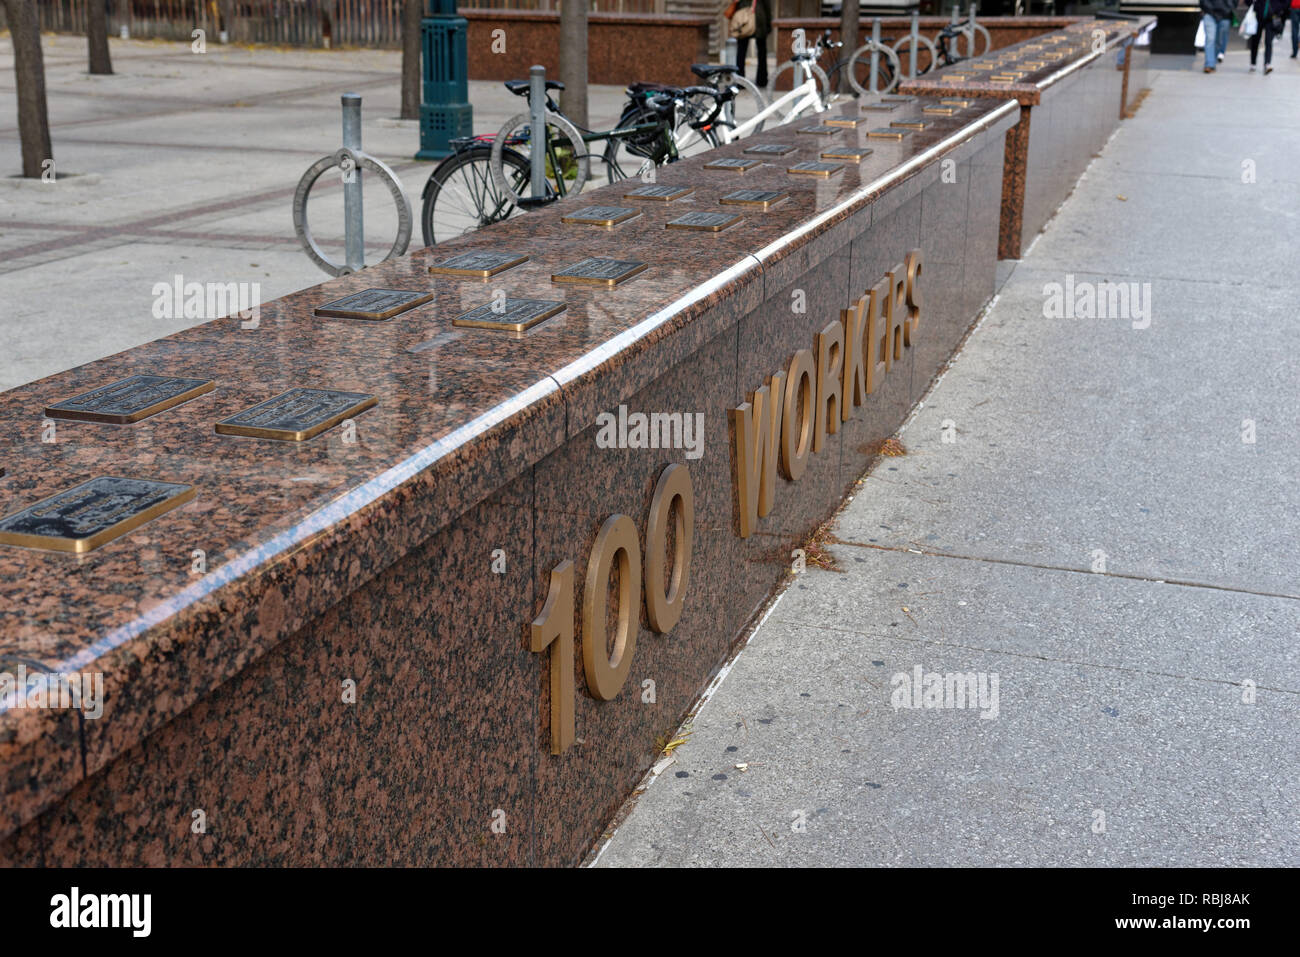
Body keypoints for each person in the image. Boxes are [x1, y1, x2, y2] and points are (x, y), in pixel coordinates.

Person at [725, 0, 772, 89]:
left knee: (741, 51)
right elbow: (767, 6)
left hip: (744, 19)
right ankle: (762, 80)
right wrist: (768, 24)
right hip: (759, 17)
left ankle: (740, 80)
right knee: (762, 51)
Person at [1244, 0, 1286, 72]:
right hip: (1258, 15)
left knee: (1268, 41)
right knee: (1255, 41)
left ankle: (1267, 63)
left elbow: (1285, 2)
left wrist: (1278, 9)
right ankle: (1253, 63)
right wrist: (1253, 5)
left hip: (1271, 16)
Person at [1200, 0, 1235, 72]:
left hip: (1225, 14)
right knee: (1210, 39)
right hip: (1209, 13)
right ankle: (1209, 64)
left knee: (1219, 40)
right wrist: (1206, 8)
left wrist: (1229, 7)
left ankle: (1213, 61)